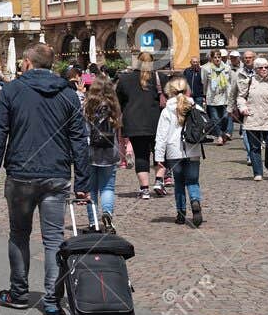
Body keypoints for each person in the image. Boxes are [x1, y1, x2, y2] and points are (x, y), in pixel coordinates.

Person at [0, 42, 90, 315]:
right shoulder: (68, 94)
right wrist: (83, 182)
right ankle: (53, 302)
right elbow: (79, 138)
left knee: (19, 234)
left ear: (27, 62)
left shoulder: (12, 91)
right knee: (54, 239)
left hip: (21, 174)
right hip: (56, 174)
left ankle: (18, 294)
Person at [154, 76, 207, 226]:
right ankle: (195, 201)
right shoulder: (195, 106)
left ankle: (181, 213)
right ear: (187, 91)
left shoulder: (166, 111)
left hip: (173, 152)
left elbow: (161, 136)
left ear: (169, 92)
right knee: (193, 181)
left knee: (179, 183)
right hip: (193, 149)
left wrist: (159, 158)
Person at [117, 51, 166, 200]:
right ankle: (159, 181)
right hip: (157, 123)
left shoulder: (125, 79)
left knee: (140, 155)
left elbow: (119, 100)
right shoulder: (161, 78)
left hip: (135, 123)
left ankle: (144, 190)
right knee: (161, 152)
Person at [82, 74, 122, 233]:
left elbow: (84, 131)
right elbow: (118, 129)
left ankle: (93, 223)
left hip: (91, 151)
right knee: (108, 188)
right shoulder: (114, 106)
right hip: (110, 151)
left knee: (91, 189)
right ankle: (107, 214)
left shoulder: (88, 106)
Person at [236, 56, 268, 180]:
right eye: (260, 67)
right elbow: (241, 97)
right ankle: (258, 172)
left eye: (266, 67)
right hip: (252, 118)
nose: (264, 69)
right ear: (255, 69)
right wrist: (242, 107)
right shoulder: (249, 82)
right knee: (255, 147)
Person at [201, 50, 235, 146]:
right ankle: (219, 136)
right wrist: (204, 95)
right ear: (211, 58)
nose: (217, 59)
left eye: (219, 57)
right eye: (215, 57)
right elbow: (204, 83)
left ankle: (225, 133)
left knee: (225, 117)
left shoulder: (227, 68)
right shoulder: (206, 69)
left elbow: (230, 82)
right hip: (212, 97)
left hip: (225, 97)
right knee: (215, 118)